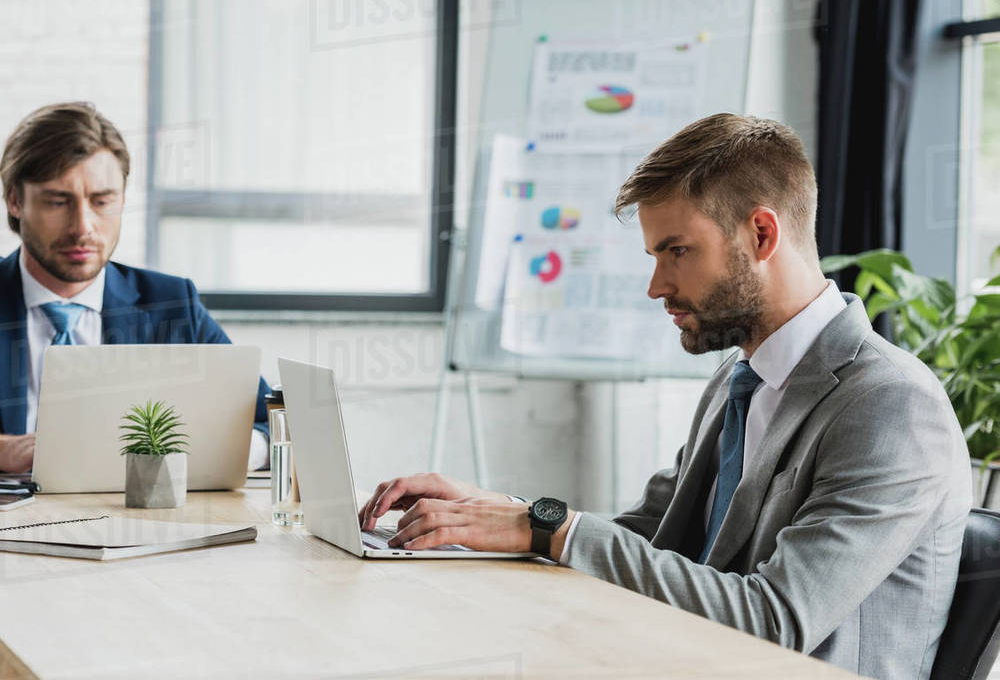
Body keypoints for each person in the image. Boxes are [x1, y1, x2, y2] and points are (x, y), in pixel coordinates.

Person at [359, 114, 971, 680]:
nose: (657, 286)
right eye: (656, 256)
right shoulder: (740, 382)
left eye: (678, 251)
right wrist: (490, 512)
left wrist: (543, 529)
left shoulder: (891, 405)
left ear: (761, 233)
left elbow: (774, 620)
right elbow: (647, 536)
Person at [0, 101, 270, 680]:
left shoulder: (170, 303)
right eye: (59, 201)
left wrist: (215, 453)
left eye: (103, 201)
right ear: (15, 199)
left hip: (143, 586)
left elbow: (273, 422)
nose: (84, 225)